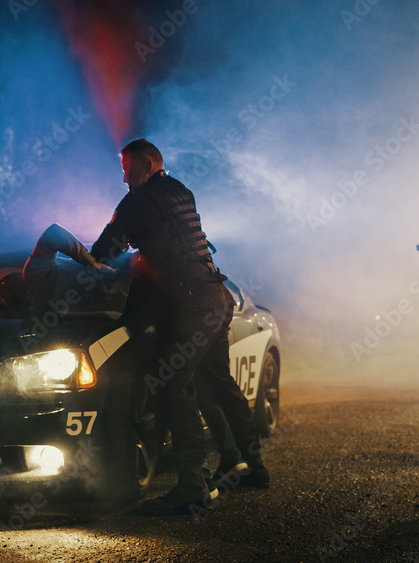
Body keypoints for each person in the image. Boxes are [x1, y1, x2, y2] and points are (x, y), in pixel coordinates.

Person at [91, 139, 269, 515]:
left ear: (148, 162)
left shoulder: (139, 201)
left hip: (192, 302)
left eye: (127, 169)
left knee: (173, 384)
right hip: (216, 296)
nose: (124, 178)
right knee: (219, 381)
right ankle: (253, 466)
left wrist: (80, 257)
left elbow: (106, 249)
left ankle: (192, 486)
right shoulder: (180, 191)